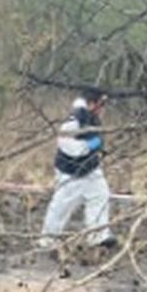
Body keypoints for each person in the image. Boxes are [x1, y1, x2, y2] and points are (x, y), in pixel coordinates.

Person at [39, 88, 116, 249]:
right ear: (91, 103)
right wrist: (90, 145)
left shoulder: (92, 118)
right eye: (101, 105)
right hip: (70, 172)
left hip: (90, 169)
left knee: (100, 195)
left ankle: (98, 235)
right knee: (61, 206)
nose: (103, 110)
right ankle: (48, 239)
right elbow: (67, 146)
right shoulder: (75, 120)